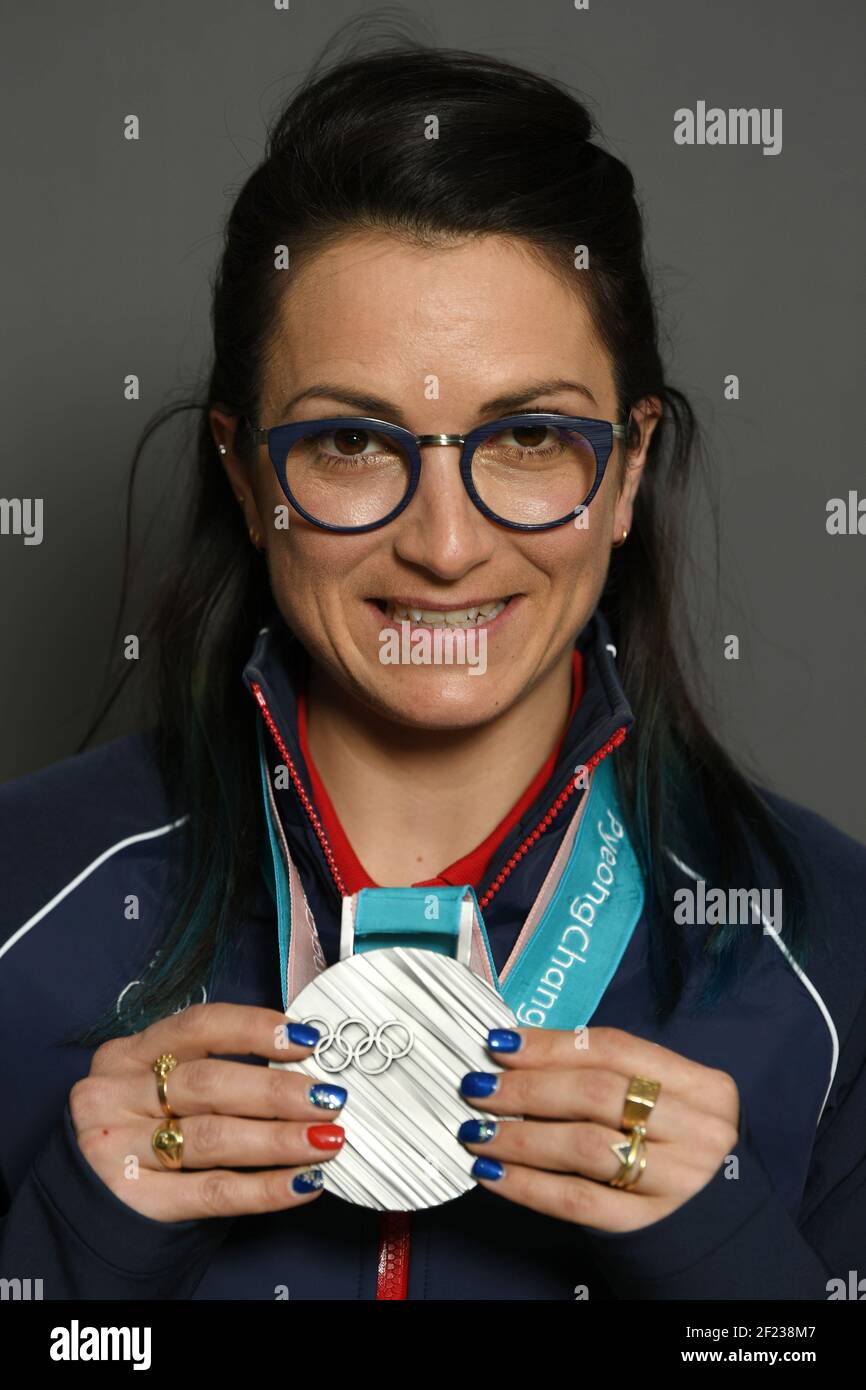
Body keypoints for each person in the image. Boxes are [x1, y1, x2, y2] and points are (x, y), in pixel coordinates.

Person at [1, 39, 864, 1303]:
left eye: (526, 436)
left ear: (625, 471)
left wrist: (739, 1280)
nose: (446, 546)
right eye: (352, 441)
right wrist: (75, 1250)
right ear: (247, 479)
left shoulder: (833, 951)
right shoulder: (17, 897)